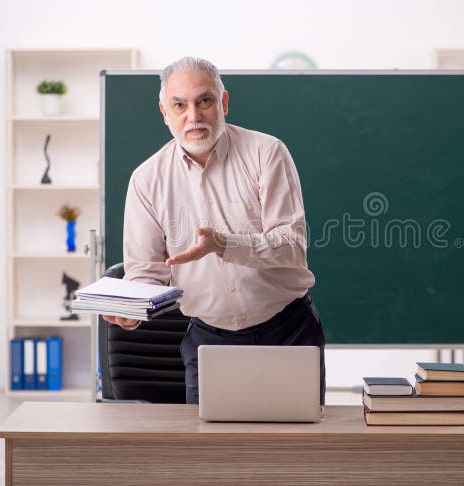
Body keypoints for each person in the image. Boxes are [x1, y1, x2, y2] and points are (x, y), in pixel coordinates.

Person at [102, 57, 325, 404]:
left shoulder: (267, 153)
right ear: (165, 112)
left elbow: (291, 246)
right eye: (180, 105)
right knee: (210, 455)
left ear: (223, 102)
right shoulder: (146, 181)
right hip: (211, 340)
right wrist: (132, 309)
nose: (193, 116)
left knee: (295, 452)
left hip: (288, 331)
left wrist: (224, 244)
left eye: (204, 101)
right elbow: (146, 271)